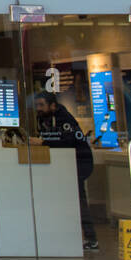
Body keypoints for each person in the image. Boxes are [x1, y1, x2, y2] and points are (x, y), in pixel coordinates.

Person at [34, 90, 98, 250]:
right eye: (37, 105)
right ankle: (66, 233)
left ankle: (91, 238)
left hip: (78, 161)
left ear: (53, 105)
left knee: (78, 198)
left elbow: (67, 141)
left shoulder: (65, 119)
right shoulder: (42, 118)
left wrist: (43, 142)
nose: (38, 108)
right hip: (60, 163)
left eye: (41, 105)